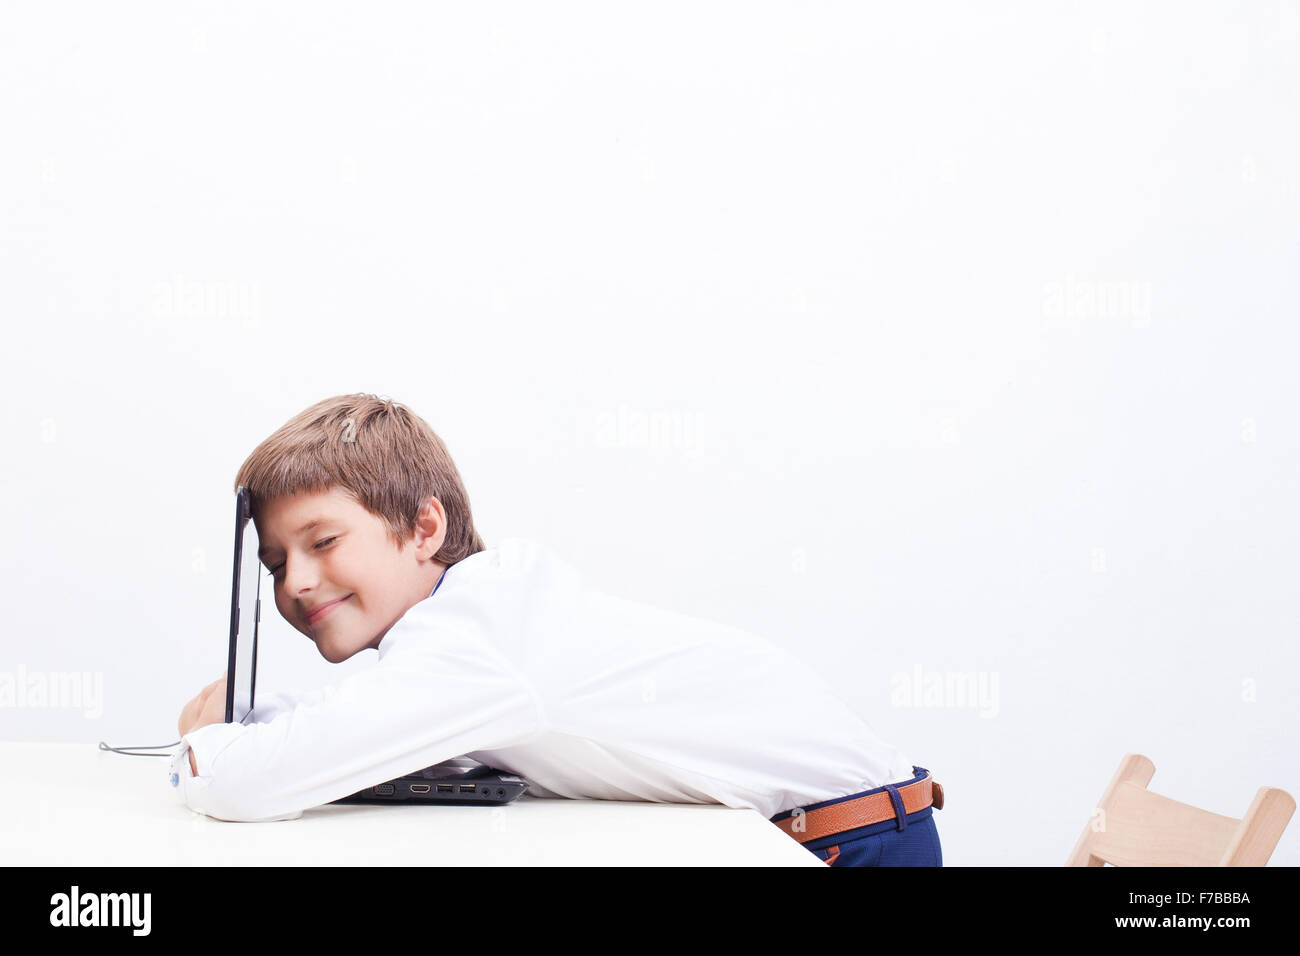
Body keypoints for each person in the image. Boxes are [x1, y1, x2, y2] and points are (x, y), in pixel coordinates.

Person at [173, 393, 943, 865]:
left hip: (852, 846)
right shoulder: (478, 619)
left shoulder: (476, 637)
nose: (296, 582)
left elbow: (248, 785)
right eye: (274, 563)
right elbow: (367, 728)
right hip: (846, 827)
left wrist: (207, 746)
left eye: (322, 542)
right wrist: (260, 718)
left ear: (423, 527)